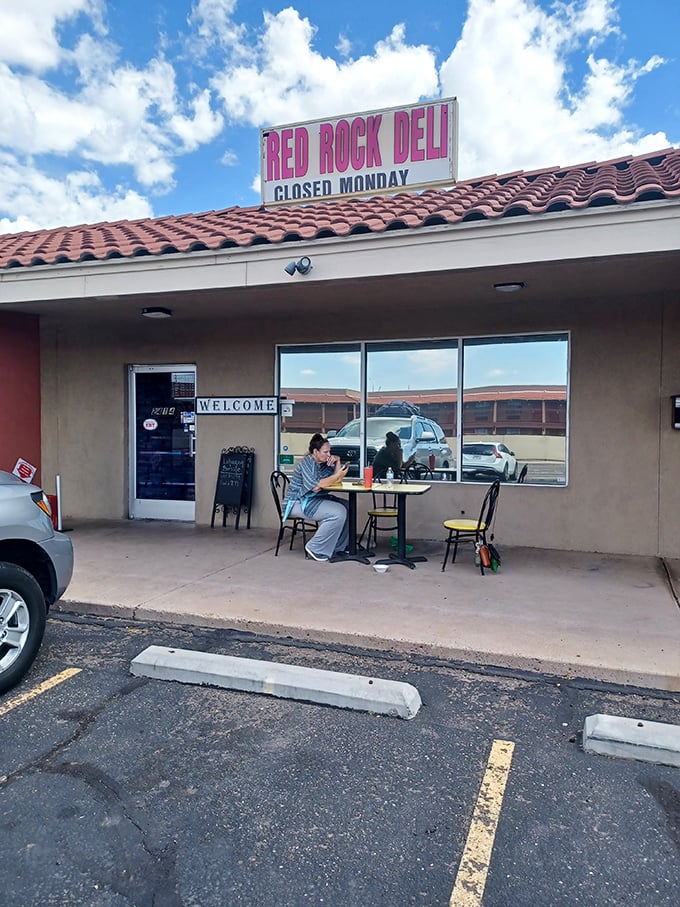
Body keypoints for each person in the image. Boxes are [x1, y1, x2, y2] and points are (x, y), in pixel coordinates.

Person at [283, 433, 350, 562]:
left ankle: (339, 547)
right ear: (315, 452)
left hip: (315, 498)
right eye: (326, 452)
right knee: (338, 512)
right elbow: (316, 486)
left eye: (330, 451)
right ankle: (315, 548)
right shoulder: (307, 464)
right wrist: (338, 475)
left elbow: (336, 481)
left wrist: (338, 462)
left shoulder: (324, 463)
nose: (329, 455)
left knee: (348, 506)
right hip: (298, 502)